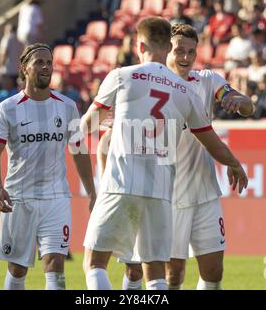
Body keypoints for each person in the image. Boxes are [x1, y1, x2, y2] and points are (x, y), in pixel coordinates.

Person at [81, 17, 248, 290]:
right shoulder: (182, 90)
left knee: (97, 263)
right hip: (163, 192)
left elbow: (85, 128)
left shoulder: (126, 77)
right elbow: (211, 141)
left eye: (191, 52)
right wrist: (233, 162)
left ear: (141, 45)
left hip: (141, 184)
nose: (186, 57)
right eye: (180, 50)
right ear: (166, 48)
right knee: (156, 273)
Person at [0, 43, 96, 290]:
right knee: (17, 269)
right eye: (40, 62)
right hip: (19, 198)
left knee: (55, 264)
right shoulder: (8, 108)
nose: (46, 67)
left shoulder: (67, 106)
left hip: (55, 197)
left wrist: (91, 192)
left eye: (49, 62)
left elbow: (79, 151)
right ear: (24, 68)